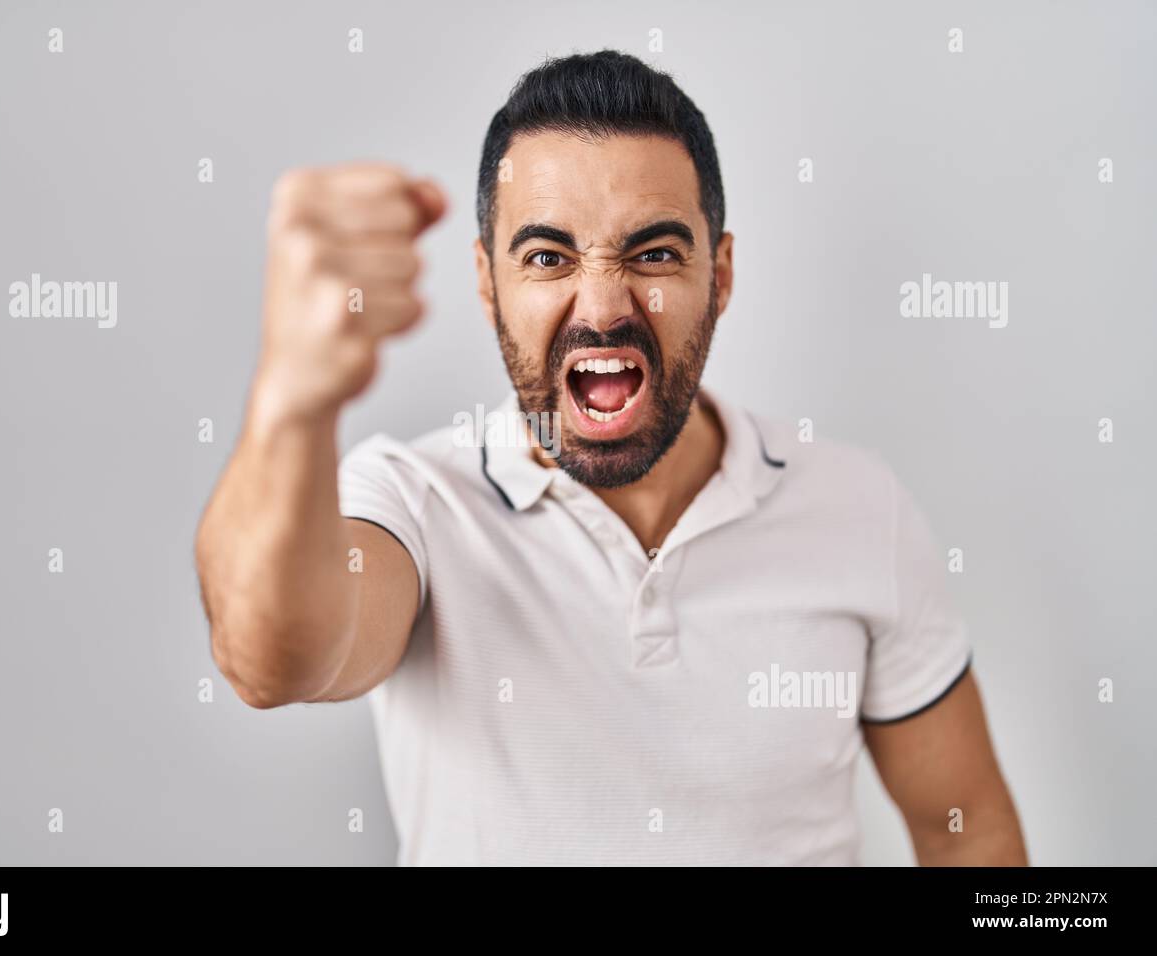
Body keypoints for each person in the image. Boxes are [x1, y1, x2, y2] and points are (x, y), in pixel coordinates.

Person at [194, 50, 1027, 866]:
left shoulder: (857, 510)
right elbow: (272, 658)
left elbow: (966, 832)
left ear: (721, 274)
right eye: (548, 258)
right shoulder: (414, 504)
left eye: (654, 254)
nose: (602, 308)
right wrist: (289, 405)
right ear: (487, 280)